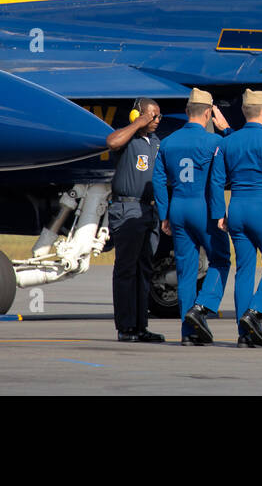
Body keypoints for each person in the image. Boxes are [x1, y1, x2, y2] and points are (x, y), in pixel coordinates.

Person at [153, 88, 233, 345]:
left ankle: (189, 333)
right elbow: (223, 175)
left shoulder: (167, 142)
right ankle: (203, 307)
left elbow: (158, 181)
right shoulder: (215, 142)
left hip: (178, 208)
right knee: (220, 260)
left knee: (185, 271)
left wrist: (164, 214)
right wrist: (228, 131)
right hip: (204, 209)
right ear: (209, 113)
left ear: (187, 112)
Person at [211, 89, 262, 348]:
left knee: (244, 269)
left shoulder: (227, 142)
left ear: (245, 112)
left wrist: (220, 213)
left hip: (237, 209)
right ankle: (255, 313)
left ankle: (245, 335)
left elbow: (218, 180)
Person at [104, 98, 164, 343]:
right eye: (152, 116)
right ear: (137, 115)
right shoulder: (127, 139)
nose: (156, 121)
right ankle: (125, 326)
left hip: (149, 212)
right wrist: (139, 122)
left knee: (144, 270)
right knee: (126, 269)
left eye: (159, 117)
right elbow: (111, 141)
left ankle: (141, 326)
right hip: (127, 208)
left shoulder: (156, 143)